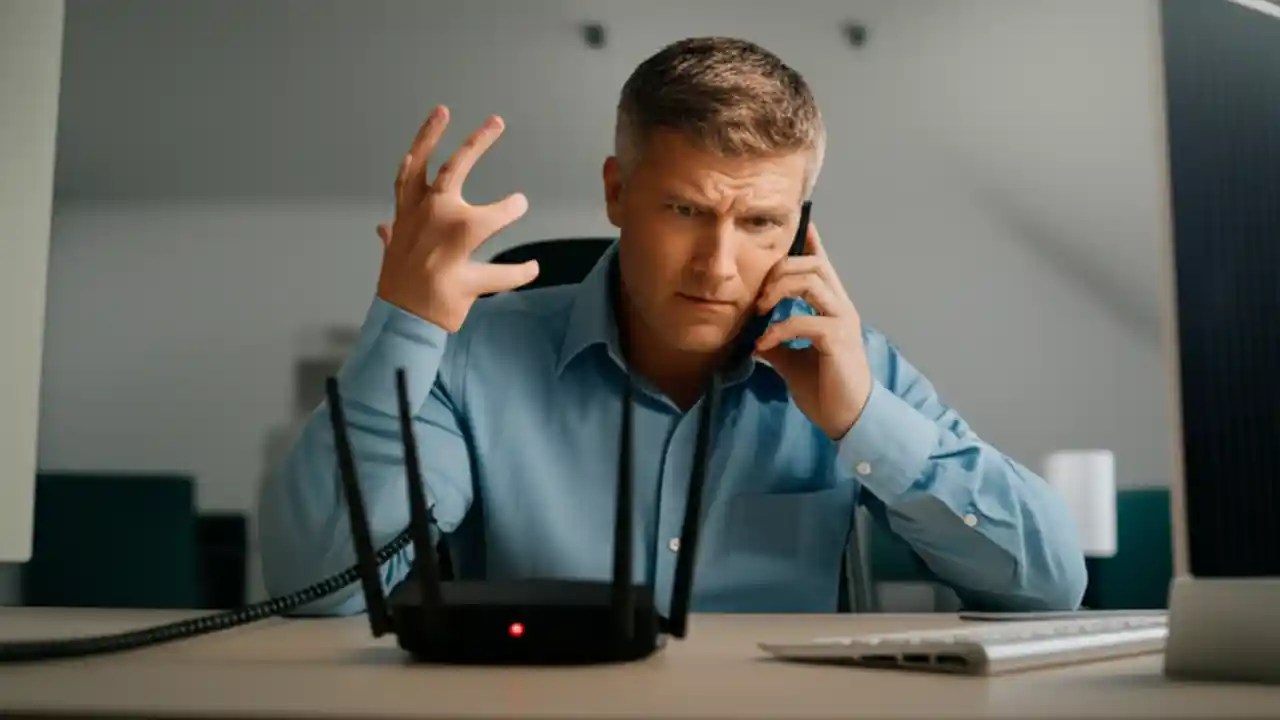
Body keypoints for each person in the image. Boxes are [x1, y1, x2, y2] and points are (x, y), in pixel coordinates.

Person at [258, 36, 1086, 616]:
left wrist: (864, 420)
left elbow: (1048, 585)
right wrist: (405, 324)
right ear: (617, 193)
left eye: (760, 223)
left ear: (801, 227)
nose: (717, 267)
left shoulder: (851, 366)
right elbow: (317, 591)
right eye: (685, 211)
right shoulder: (473, 355)